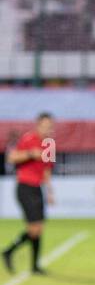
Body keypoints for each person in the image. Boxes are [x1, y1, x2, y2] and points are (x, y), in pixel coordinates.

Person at [2, 113, 55, 275]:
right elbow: (11, 158)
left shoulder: (50, 144)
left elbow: (46, 169)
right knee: (33, 228)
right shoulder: (28, 139)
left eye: (50, 126)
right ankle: (9, 251)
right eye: (44, 125)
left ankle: (34, 266)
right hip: (25, 187)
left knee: (39, 227)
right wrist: (30, 154)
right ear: (38, 125)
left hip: (38, 187)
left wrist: (50, 191)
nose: (47, 128)